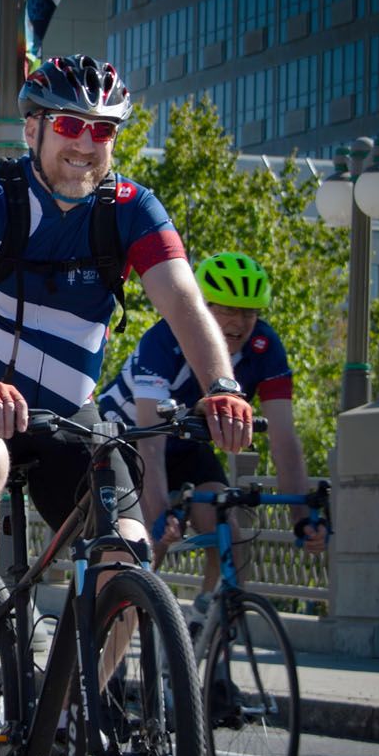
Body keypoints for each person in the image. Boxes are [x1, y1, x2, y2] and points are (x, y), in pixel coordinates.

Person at [0, 53, 255, 746]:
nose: (85, 143)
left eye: (103, 131)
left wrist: (222, 384)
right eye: (70, 124)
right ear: (34, 127)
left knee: (128, 556)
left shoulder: (131, 211)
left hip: (69, 415)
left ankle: (72, 714)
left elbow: (185, 304)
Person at [98, 250, 328, 628]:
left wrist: (302, 519)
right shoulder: (164, 340)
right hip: (132, 439)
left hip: (186, 442)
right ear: (201, 307)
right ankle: (115, 627)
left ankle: (204, 625)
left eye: (250, 312)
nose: (239, 323)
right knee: (144, 543)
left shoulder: (264, 348)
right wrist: (158, 514)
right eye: (227, 310)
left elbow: (284, 439)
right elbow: (150, 447)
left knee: (229, 533)